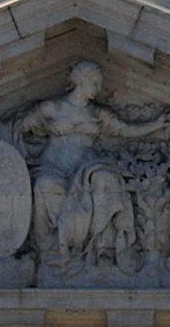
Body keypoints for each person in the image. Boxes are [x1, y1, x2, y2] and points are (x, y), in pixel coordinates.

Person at [16, 61, 160, 269]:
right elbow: (21, 126)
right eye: (95, 84)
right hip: (53, 165)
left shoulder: (98, 114)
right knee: (44, 185)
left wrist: (157, 124)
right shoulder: (51, 108)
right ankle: (52, 249)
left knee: (106, 178)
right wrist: (47, 126)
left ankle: (103, 247)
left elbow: (126, 130)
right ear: (81, 82)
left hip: (87, 167)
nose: (99, 89)